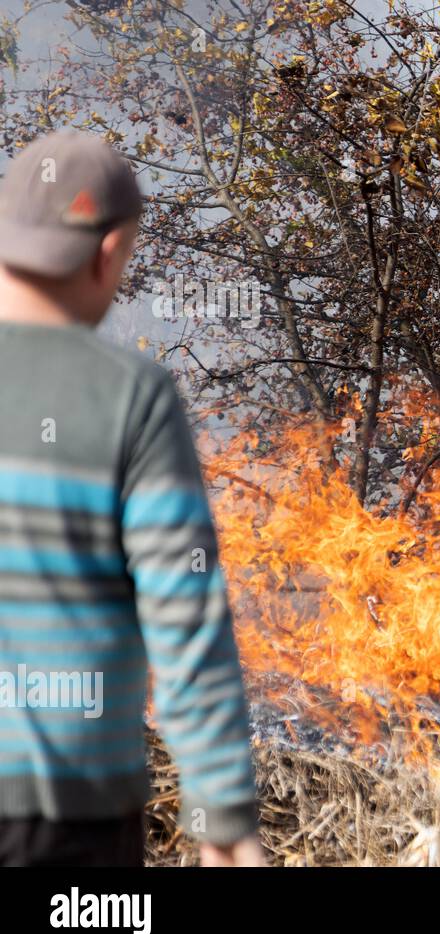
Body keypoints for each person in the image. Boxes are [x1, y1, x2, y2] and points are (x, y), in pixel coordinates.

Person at [0, 129, 263, 865]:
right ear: (108, 249)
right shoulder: (130, 399)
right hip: (67, 817)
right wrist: (223, 818)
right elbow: (184, 617)